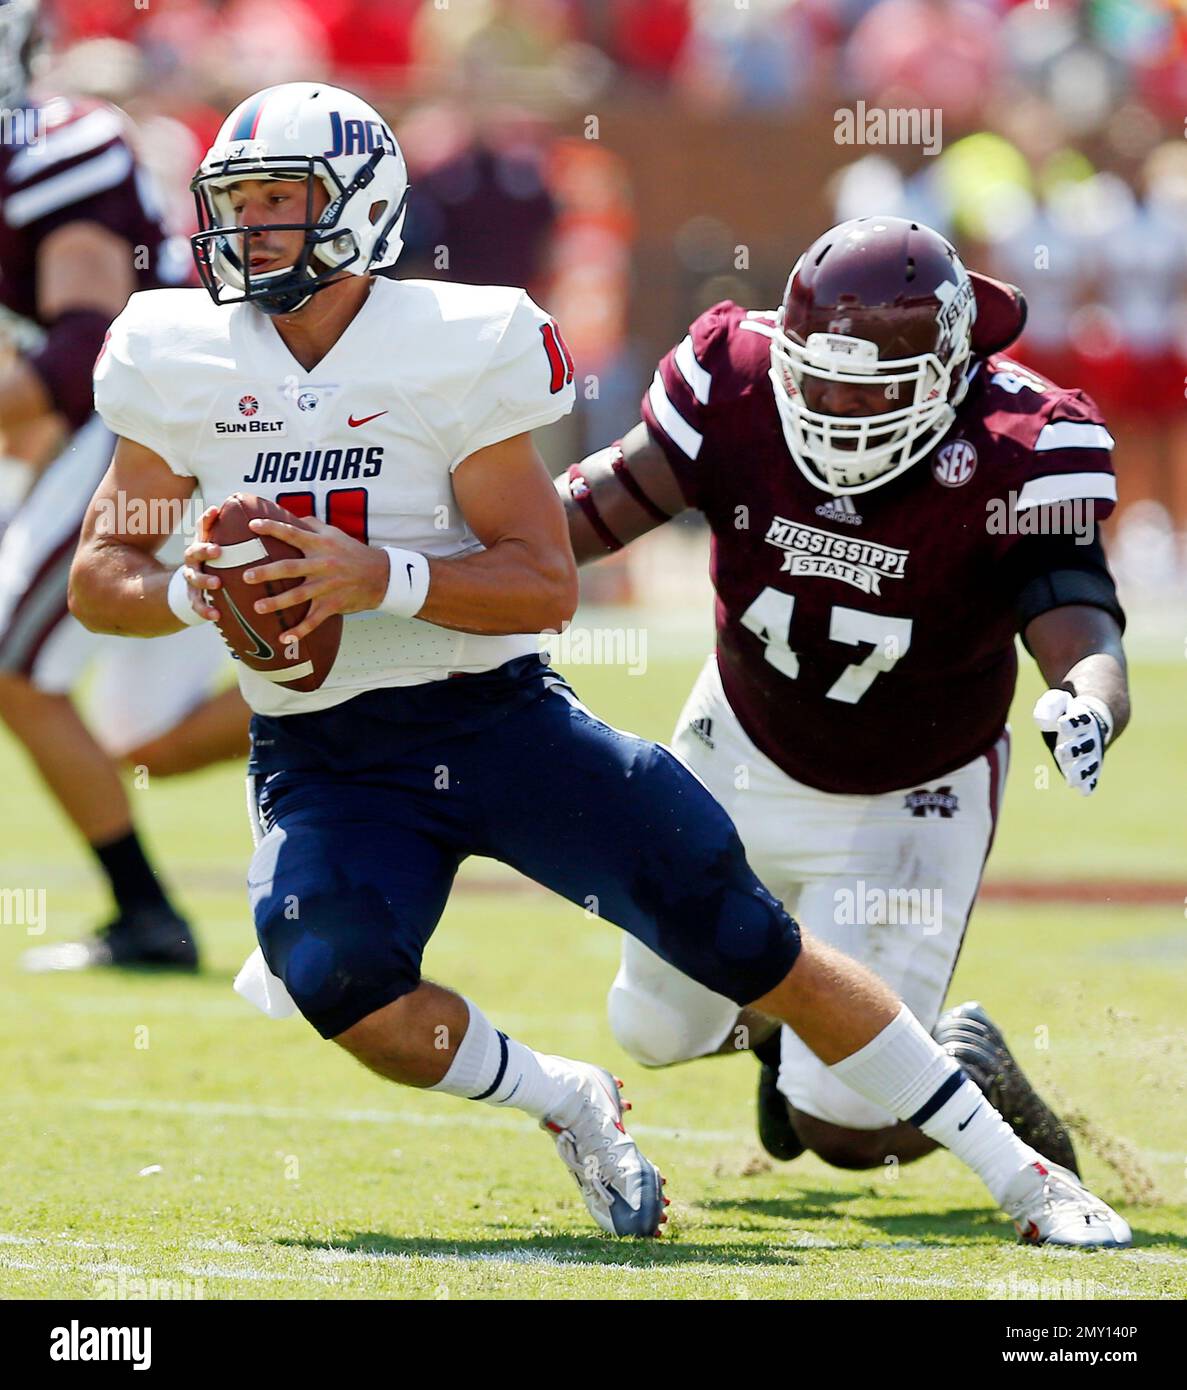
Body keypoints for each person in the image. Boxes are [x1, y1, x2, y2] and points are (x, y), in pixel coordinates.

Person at [71, 88, 1128, 1245]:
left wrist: (381, 578)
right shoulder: (174, 353)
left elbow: (540, 582)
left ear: (360, 207)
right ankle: (567, 1100)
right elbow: (100, 575)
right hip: (326, 755)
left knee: (753, 951)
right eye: (235, 204)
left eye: (280, 200)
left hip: (496, 722)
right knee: (339, 979)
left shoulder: (453, 343)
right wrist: (191, 593)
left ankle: (1027, 1177)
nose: (250, 229)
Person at [559, 215, 1128, 1182]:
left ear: (948, 375)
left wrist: (1088, 699)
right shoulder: (735, 380)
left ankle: (962, 1063)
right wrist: (434, 562)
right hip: (738, 742)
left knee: (846, 1129)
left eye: (869, 388)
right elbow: (593, 509)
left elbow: (1075, 612)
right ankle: (795, 1029)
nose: (833, 407)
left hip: (909, 794)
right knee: (652, 1028)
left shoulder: (1019, 443)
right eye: (814, 379)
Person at [0, 0, 248, 973]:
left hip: (159, 417)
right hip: (135, 420)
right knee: (142, 737)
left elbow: (81, 351)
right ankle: (374, 680)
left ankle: (147, 916)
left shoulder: (54, 144)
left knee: (13, 662)